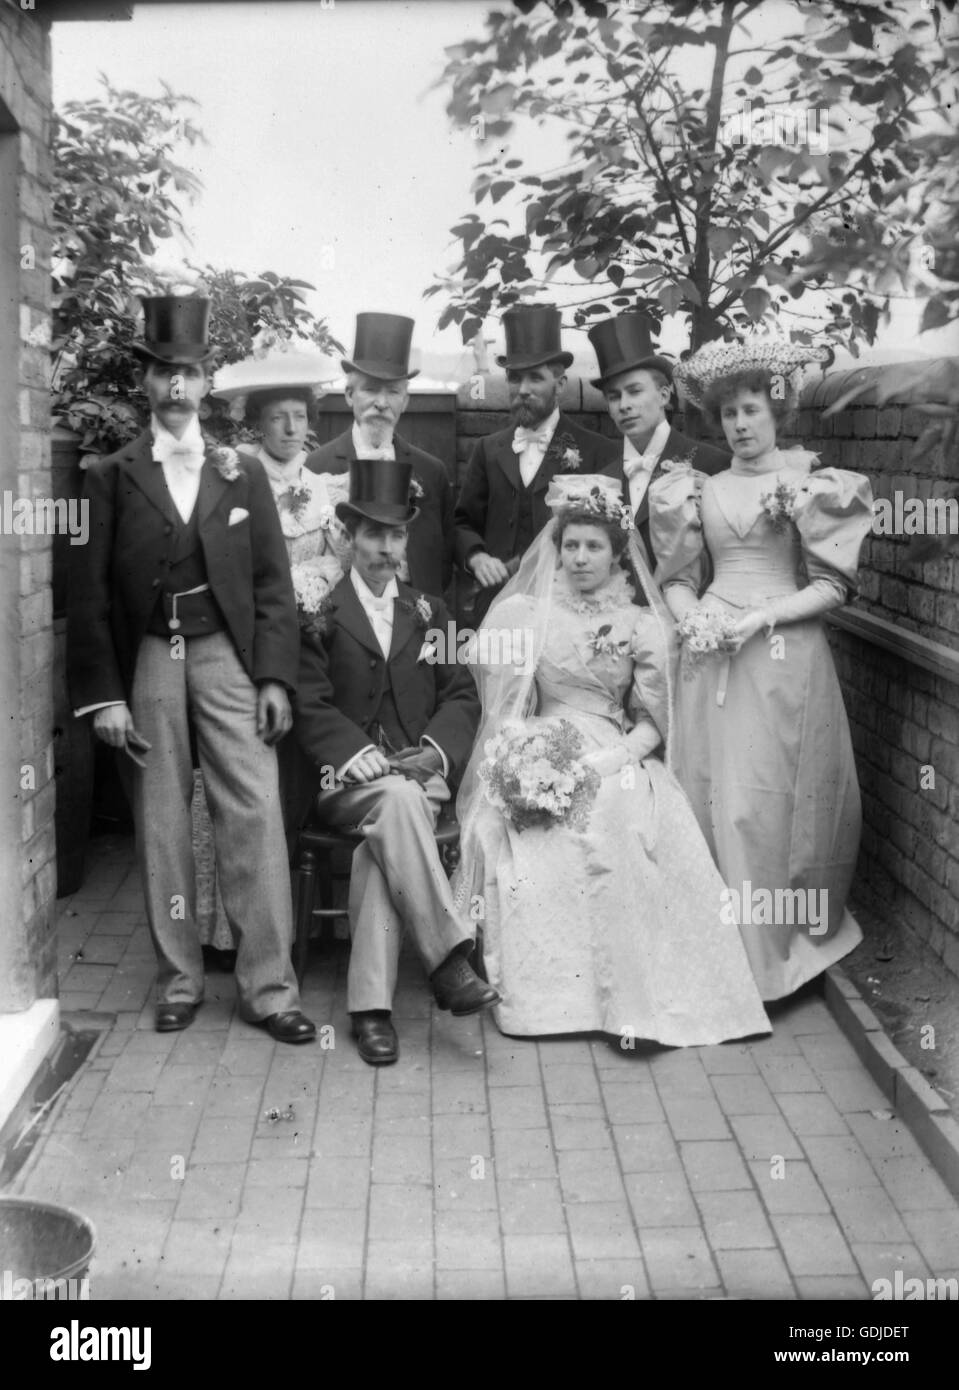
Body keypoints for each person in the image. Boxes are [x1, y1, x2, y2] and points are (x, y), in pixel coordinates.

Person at [67, 295, 315, 1043]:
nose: (176, 389)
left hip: (225, 656)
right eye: (163, 374)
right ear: (146, 384)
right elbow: (89, 595)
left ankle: (269, 988)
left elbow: (274, 584)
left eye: (189, 374)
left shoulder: (240, 473)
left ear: (207, 384)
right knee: (163, 818)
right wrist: (104, 695)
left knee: (254, 811)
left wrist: (272, 677)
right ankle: (178, 979)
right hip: (148, 656)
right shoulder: (112, 475)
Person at [451, 474, 771, 1044]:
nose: (579, 558)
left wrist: (618, 757)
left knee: (618, 816)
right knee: (521, 831)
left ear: (617, 552)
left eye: (593, 546)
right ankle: (554, 1004)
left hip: (614, 750)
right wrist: (520, 754)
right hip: (540, 747)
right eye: (570, 545)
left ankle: (628, 1001)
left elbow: (654, 720)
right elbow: (507, 703)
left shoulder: (640, 624)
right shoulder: (528, 614)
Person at [649, 339, 875, 1000]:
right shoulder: (696, 489)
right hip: (714, 657)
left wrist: (762, 617)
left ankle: (771, 955)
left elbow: (835, 587)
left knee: (773, 804)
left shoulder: (812, 485)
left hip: (783, 661)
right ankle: (715, 955)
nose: (740, 426)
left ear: (775, 413)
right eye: (728, 416)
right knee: (717, 797)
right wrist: (692, 615)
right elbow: (678, 579)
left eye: (750, 411)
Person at [293, 457, 499, 1066]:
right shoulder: (319, 613)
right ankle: (447, 961)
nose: (386, 548)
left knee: (393, 823)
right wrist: (351, 753)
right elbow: (307, 700)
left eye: (397, 534)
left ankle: (372, 1010)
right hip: (346, 779)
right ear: (349, 536)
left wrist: (434, 750)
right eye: (373, 534)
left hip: (418, 773)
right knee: (397, 809)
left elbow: (464, 692)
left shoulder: (432, 610)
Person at [192, 358, 352, 958]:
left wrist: (312, 583)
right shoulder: (232, 478)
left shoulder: (325, 489)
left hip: (311, 646)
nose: (290, 428)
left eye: (299, 417)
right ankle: (223, 932)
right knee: (241, 782)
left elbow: (344, 558)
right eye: (277, 418)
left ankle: (306, 924)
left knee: (301, 780)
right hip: (243, 646)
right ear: (256, 424)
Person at [454, 303, 621, 621]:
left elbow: (614, 538)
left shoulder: (598, 451)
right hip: (495, 609)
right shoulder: (488, 450)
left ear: (559, 385)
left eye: (535, 378)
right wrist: (476, 557)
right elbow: (463, 523)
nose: (524, 390)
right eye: (515, 378)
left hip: (567, 612)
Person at [305, 312, 454, 597]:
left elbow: (442, 559)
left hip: (416, 617)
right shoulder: (317, 466)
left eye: (393, 392)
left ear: (406, 400)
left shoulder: (431, 471)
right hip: (344, 623)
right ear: (349, 394)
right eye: (371, 390)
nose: (382, 403)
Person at [587, 312, 729, 566]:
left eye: (635, 391)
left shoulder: (712, 464)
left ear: (664, 395)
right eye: (614, 396)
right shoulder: (604, 478)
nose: (624, 405)